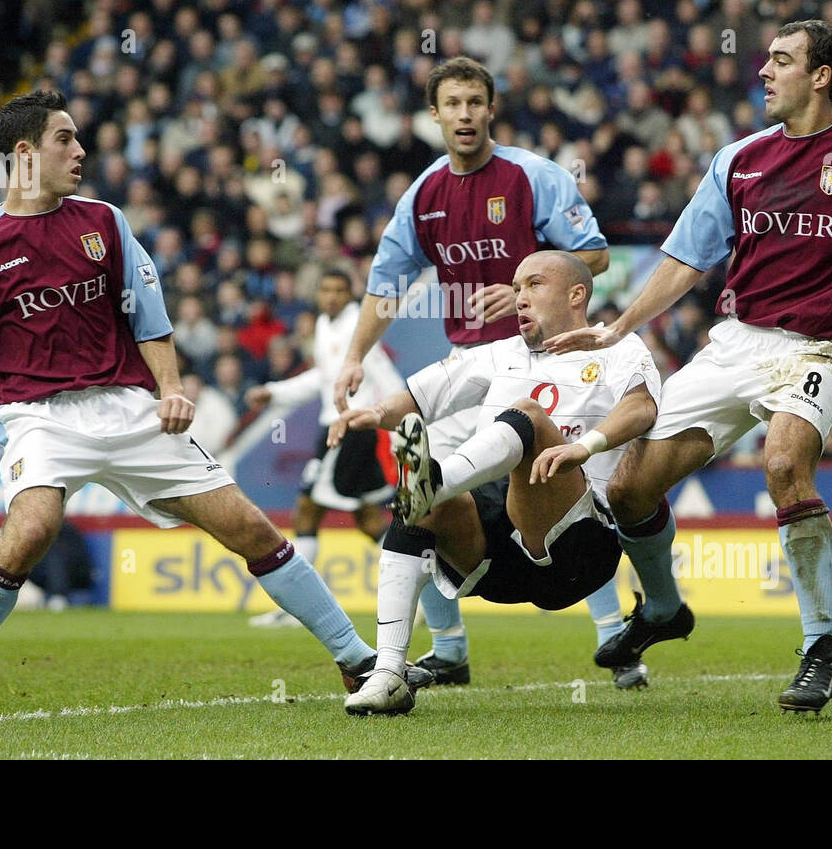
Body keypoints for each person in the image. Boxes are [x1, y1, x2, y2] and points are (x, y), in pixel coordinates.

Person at [0, 91, 424, 722]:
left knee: (250, 527)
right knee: (33, 530)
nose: (80, 149)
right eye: (64, 139)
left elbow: (150, 320)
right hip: (41, 416)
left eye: (78, 138)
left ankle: (355, 658)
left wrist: (171, 388)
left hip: (129, 408)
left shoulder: (104, 222)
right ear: (25, 152)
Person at [546, 21, 832, 713]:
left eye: (781, 60)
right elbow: (686, 259)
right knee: (630, 490)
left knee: (784, 465)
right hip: (734, 344)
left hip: (815, 348)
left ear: (821, 77)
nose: (763, 72)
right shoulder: (740, 159)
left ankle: (821, 651)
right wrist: (621, 326)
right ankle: (662, 609)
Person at [331, 56, 646, 689]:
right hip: (468, 365)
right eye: (453, 104)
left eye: (476, 102)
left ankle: (617, 641)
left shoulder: (534, 177)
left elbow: (596, 254)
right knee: (422, 498)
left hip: (545, 361)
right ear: (435, 115)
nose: (465, 115)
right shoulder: (423, 195)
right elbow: (387, 284)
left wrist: (519, 285)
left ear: (491, 108)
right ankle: (447, 651)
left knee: (555, 488)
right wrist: (353, 356)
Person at [331, 251, 669, 714]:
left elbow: (642, 408)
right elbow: (418, 397)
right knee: (418, 509)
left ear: (577, 295)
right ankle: (389, 672)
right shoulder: (498, 353)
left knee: (527, 415)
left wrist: (585, 446)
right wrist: (373, 414)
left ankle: (435, 482)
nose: (520, 298)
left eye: (534, 285)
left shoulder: (617, 346)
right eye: (515, 288)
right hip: (497, 563)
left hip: (579, 545)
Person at [243, 267, 402, 627]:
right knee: (368, 520)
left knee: (306, 510)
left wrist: (398, 426)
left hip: (350, 427)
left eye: (338, 290)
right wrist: (276, 392)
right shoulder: (324, 326)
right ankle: (417, 590)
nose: (331, 296)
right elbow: (324, 376)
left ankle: (297, 608)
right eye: (325, 289)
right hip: (336, 427)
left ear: (350, 295)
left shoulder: (357, 329)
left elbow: (386, 376)